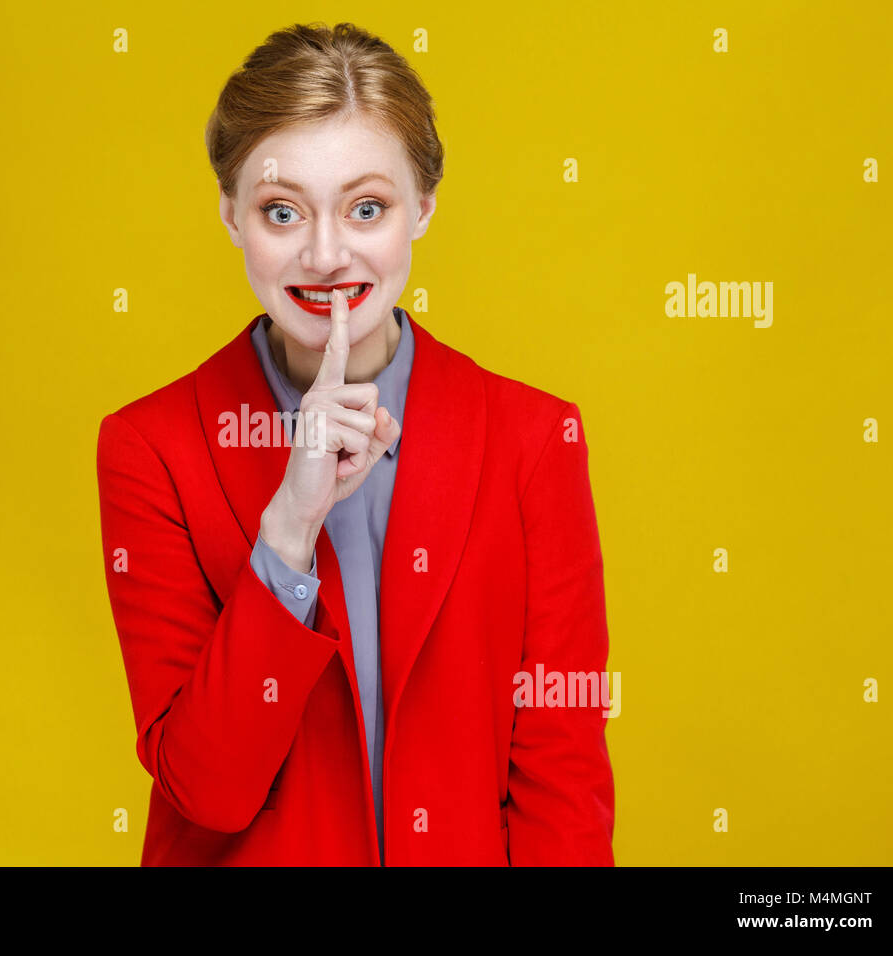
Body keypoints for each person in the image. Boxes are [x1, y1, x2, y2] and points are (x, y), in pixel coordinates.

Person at [96, 21, 615, 865]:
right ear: (231, 214)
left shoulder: (532, 438)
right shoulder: (149, 448)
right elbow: (207, 789)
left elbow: (563, 778)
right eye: (281, 210)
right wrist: (289, 534)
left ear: (425, 208)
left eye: (366, 207)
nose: (326, 253)